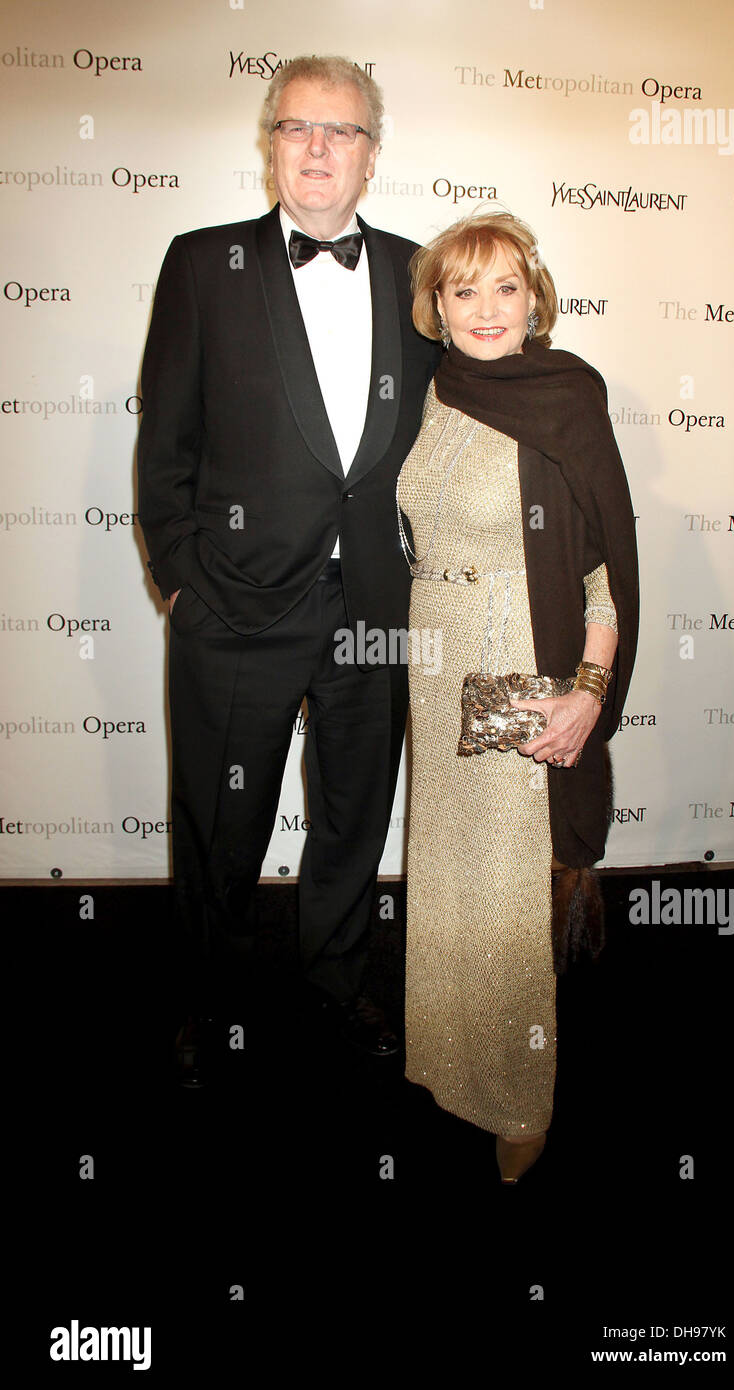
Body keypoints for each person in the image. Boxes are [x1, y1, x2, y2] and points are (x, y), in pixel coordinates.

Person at [137, 55, 440, 1078]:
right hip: (235, 609)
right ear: (270, 143)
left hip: (374, 604)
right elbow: (165, 436)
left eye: (340, 131)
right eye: (297, 128)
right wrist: (180, 569)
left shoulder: (415, 272)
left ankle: (337, 985)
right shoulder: (201, 261)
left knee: (354, 821)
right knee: (220, 822)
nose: (318, 148)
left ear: (370, 153)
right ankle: (205, 1000)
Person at [396, 211, 639, 1180]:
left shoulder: (563, 395)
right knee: (446, 882)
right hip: (433, 660)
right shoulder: (436, 393)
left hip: (514, 663)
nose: (484, 309)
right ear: (436, 307)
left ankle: (515, 1101)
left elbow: (605, 570)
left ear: (533, 298)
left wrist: (584, 690)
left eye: (504, 287)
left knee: (500, 896)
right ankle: (447, 1062)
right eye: (463, 290)